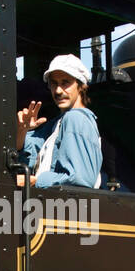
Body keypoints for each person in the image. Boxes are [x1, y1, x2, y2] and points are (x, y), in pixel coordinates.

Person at [17, 54, 103, 189]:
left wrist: (34, 181)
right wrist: (22, 130)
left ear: (81, 86)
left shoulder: (76, 119)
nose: (58, 91)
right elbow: (29, 151)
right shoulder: (56, 124)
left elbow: (79, 180)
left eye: (65, 83)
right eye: (54, 83)